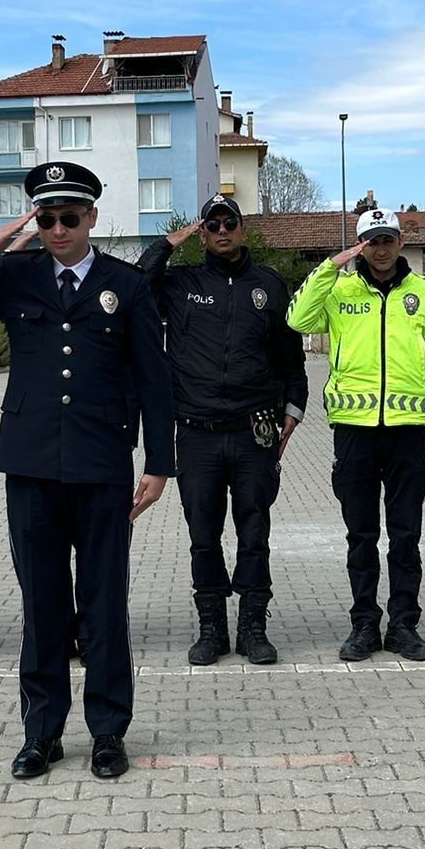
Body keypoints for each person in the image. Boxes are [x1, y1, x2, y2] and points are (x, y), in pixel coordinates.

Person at [0, 161, 174, 780]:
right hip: (31, 465)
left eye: (70, 217)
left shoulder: (126, 285)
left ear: (91, 218)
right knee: (43, 605)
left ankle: (108, 732)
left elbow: (153, 380)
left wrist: (159, 463)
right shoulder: (12, 274)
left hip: (103, 461)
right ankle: (43, 733)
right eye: (47, 217)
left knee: (104, 602)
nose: (58, 229)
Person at [137, 194, 307, 666]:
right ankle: (211, 626)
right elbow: (135, 283)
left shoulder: (269, 285)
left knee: (254, 532)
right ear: (203, 233)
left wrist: (294, 410)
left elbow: (291, 358)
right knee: (203, 535)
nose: (222, 231)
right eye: (212, 225)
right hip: (196, 433)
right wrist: (171, 242)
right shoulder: (180, 282)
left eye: (230, 222)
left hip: (256, 432)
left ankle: (253, 626)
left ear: (242, 228)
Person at [286, 209, 425, 663]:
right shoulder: (340, 291)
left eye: (387, 240)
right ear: (361, 245)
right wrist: (329, 267)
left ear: (400, 241)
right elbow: (297, 319)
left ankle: (403, 625)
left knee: (405, 536)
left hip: (408, 433)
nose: (381, 249)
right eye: (371, 241)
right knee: (360, 535)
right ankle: (364, 623)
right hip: (354, 433)